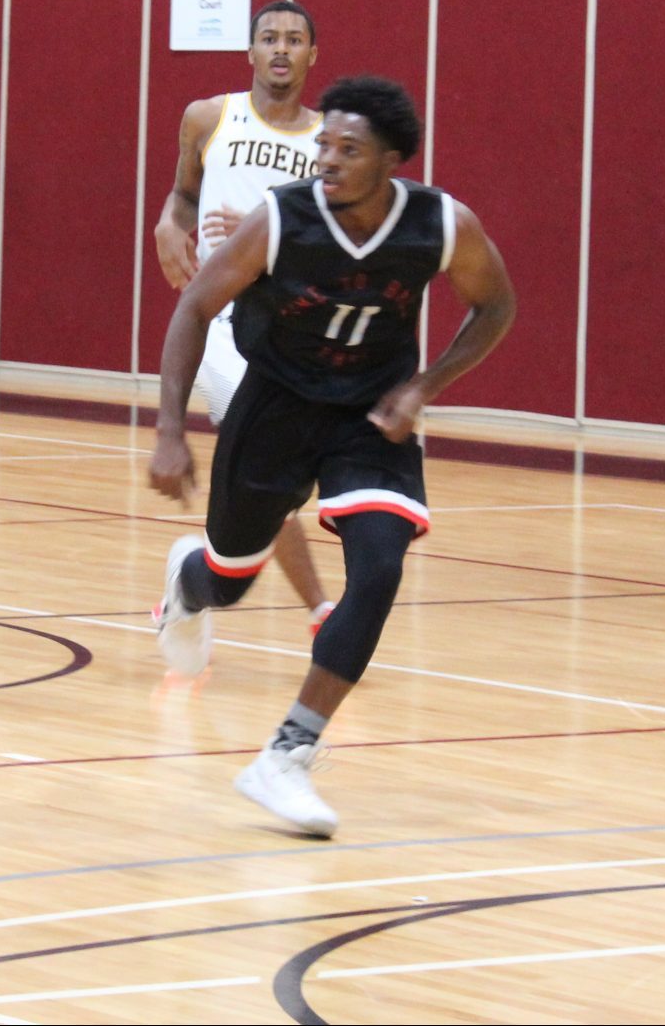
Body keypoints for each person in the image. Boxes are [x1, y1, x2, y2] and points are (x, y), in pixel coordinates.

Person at [148, 75, 514, 837]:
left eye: (348, 149)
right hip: (275, 410)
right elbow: (194, 306)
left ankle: (286, 754)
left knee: (380, 565)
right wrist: (172, 431)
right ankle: (186, 586)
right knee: (227, 580)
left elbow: (496, 304)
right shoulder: (281, 221)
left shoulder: (439, 224)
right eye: (324, 144)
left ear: (390, 160)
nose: (327, 159)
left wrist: (424, 385)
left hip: (368, 418)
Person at [152, 1, 334, 635]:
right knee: (264, 449)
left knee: (282, 479)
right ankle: (320, 611)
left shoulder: (331, 142)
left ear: (314, 55)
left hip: (296, 330)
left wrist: (267, 246)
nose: (280, 48)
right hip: (224, 326)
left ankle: (196, 581)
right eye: (268, 37)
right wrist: (168, 223)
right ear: (250, 52)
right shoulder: (207, 117)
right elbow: (182, 193)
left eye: (294, 39)